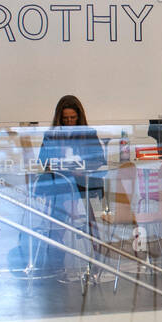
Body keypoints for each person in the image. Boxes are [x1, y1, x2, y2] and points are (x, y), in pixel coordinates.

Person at [34, 95, 107, 271]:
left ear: (78, 117)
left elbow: (99, 160)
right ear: (59, 118)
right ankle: (58, 248)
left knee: (65, 196)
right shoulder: (51, 135)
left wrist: (81, 167)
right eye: (65, 119)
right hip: (61, 181)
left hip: (81, 182)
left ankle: (61, 245)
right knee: (63, 192)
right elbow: (43, 161)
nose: (69, 122)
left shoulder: (88, 134)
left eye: (72, 118)